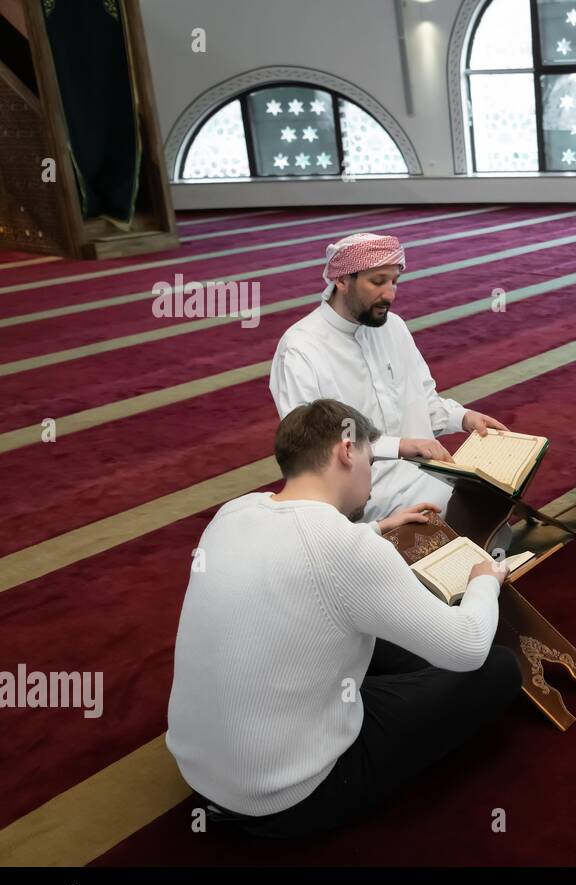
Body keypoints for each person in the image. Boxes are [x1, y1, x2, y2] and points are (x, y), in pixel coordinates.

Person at [166, 399, 520, 838]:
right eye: (371, 461)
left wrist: (376, 527)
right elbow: (467, 647)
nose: (371, 483)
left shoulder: (232, 513)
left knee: (363, 634)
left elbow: (302, 552)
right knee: (498, 668)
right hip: (286, 799)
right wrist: (485, 578)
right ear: (346, 451)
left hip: (199, 771)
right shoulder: (347, 551)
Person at [270, 232, 507, 524]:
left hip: (426, 473)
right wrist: (398, 446)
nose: (390, 295)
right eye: (378, 281)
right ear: (342, 281)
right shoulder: (300, 349)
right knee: (472, 517)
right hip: (360, 499)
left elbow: (424, 403)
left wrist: (464, 418)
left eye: (394, 282)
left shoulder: (393, 327)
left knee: (496, 497)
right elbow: (312, 449)